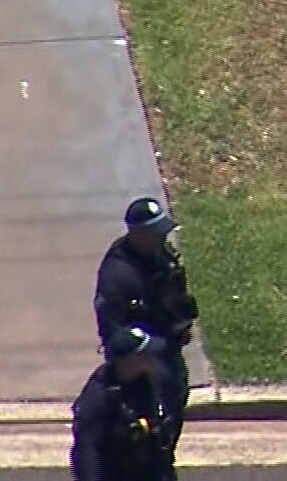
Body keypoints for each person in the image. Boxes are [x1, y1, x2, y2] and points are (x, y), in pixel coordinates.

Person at [93, 197, 197, 435]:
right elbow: (112, 329)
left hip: (168, 346)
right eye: (155, 232)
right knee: (149, 423)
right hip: (140, 358)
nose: (163, 238)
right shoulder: (117, 275)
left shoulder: (163, 256)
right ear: (138, 233)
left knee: (175, 402)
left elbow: (177, 291)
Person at [70, 325, 184, 481]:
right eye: (145, 355)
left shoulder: (151, 381)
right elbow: (87, 449)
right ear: (128, 362)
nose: (152, 358)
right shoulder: (98, 398)